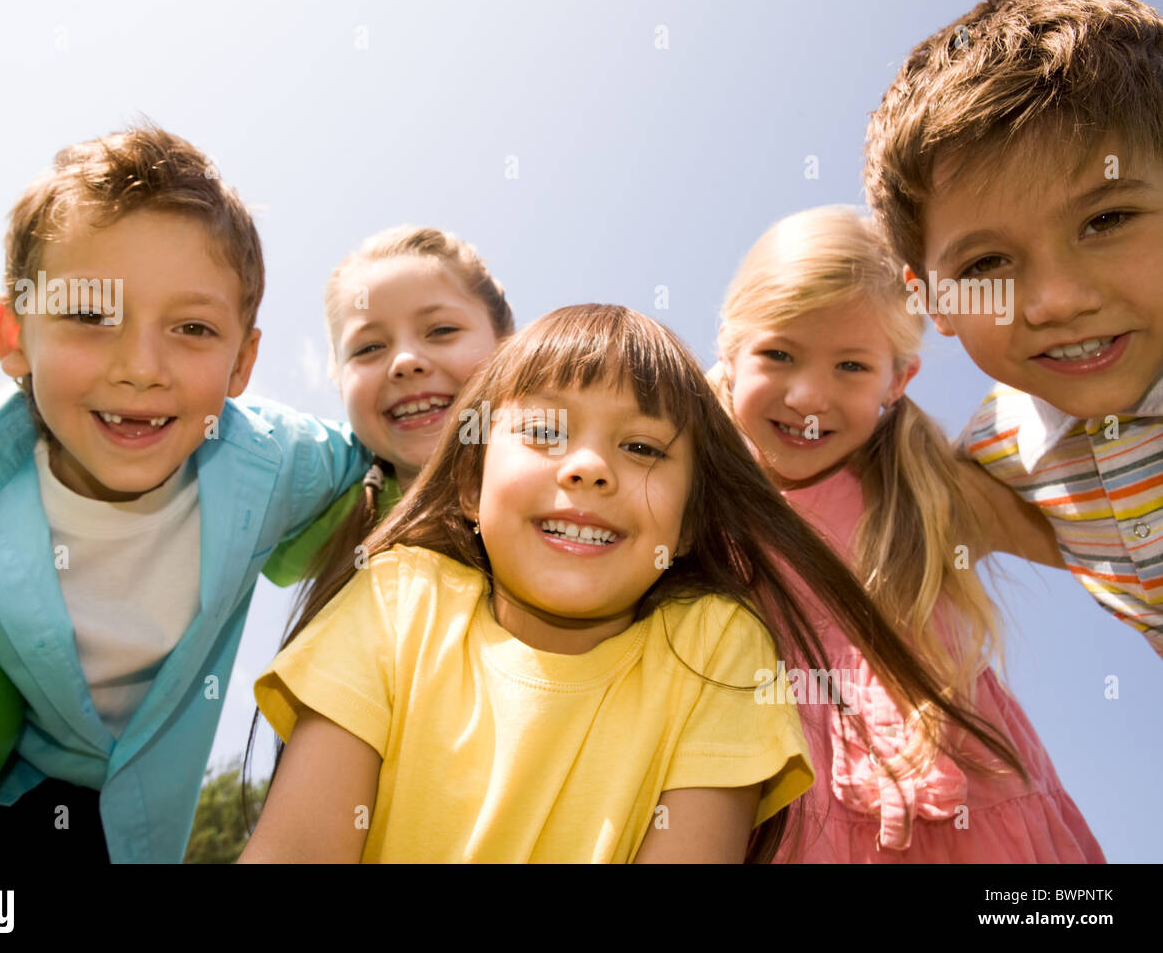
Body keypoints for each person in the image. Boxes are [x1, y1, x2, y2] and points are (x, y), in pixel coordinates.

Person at [240, 304, 1028, 863]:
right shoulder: (398, 598)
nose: (589, 466)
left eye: (645, 448)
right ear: (474, 486)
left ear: (689, 525)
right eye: (545, 432)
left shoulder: (717, 648)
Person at [0, 122, 370, 863]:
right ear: (14, 336)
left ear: (241, 363)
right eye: (90, 316)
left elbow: (388, 457)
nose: (141, 366)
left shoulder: (269, 464)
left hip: (127, 833)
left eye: (193, 327)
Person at [710, 204, 1104, 861]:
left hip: (972, 819)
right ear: (729, 350)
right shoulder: (687, 490)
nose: (808, 395)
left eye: (852, 367)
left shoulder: (928, 491)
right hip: (776, 811)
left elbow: (1104, 521)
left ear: (899, 380)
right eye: (779, 353)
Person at [864, 0, 1163, 658]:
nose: (1054, 301)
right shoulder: (998, 457)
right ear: (932, 301)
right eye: (986, 263)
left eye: (1106, 221)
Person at [261, 224, 513, 585]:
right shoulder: (322, 505)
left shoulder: (569, 475)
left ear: (510, 345)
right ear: (338, 377)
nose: (405, 361)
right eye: (368, 348)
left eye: (441, 330)